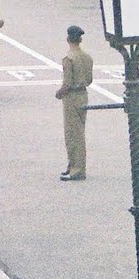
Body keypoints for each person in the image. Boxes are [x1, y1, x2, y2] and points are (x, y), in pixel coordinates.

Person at [54, 25, 92, 181]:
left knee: (73, 134)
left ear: (68, 39)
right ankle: (73, 165)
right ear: (80, 39)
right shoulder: (87, 57)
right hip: (83, 94)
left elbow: (67, 83)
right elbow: (89, 80)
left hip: (71, 97)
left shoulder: (69, 59)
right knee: (79, 131)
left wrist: (59, 93)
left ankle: (77, 169)